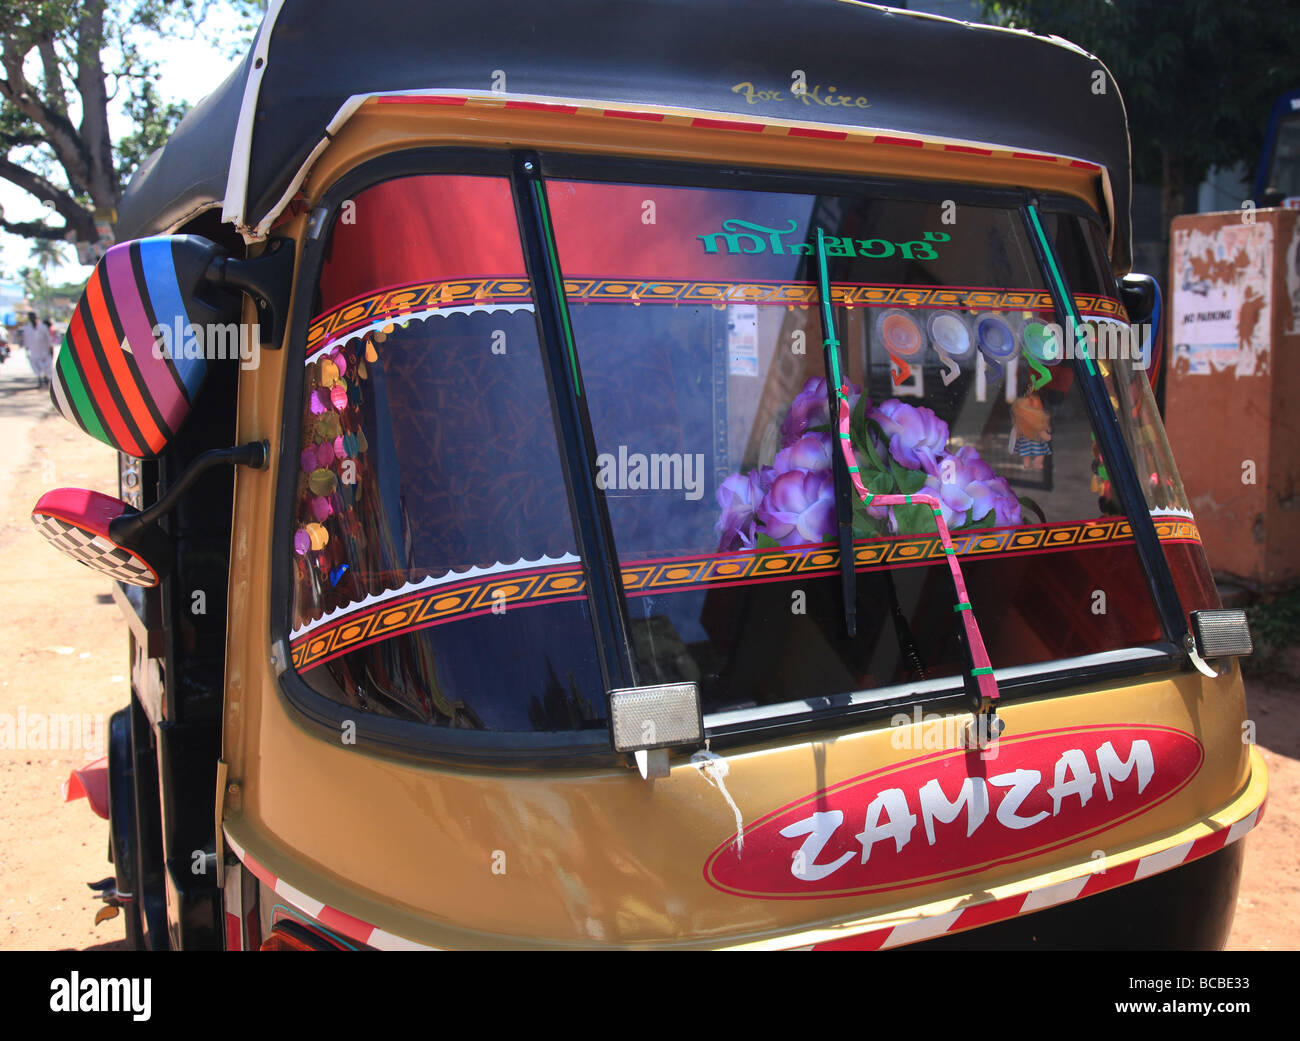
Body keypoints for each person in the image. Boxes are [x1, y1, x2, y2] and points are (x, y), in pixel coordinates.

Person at [21, 312, 54, 387]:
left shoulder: (43, 327)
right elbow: (25, 340)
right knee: (35, 366)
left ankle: (46, 377)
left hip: (44, 351)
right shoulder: (27, 329)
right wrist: (27, 350)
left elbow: (48, 339)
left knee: (47, 366)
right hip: (34, 352)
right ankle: (39, 378)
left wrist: (51, 349)